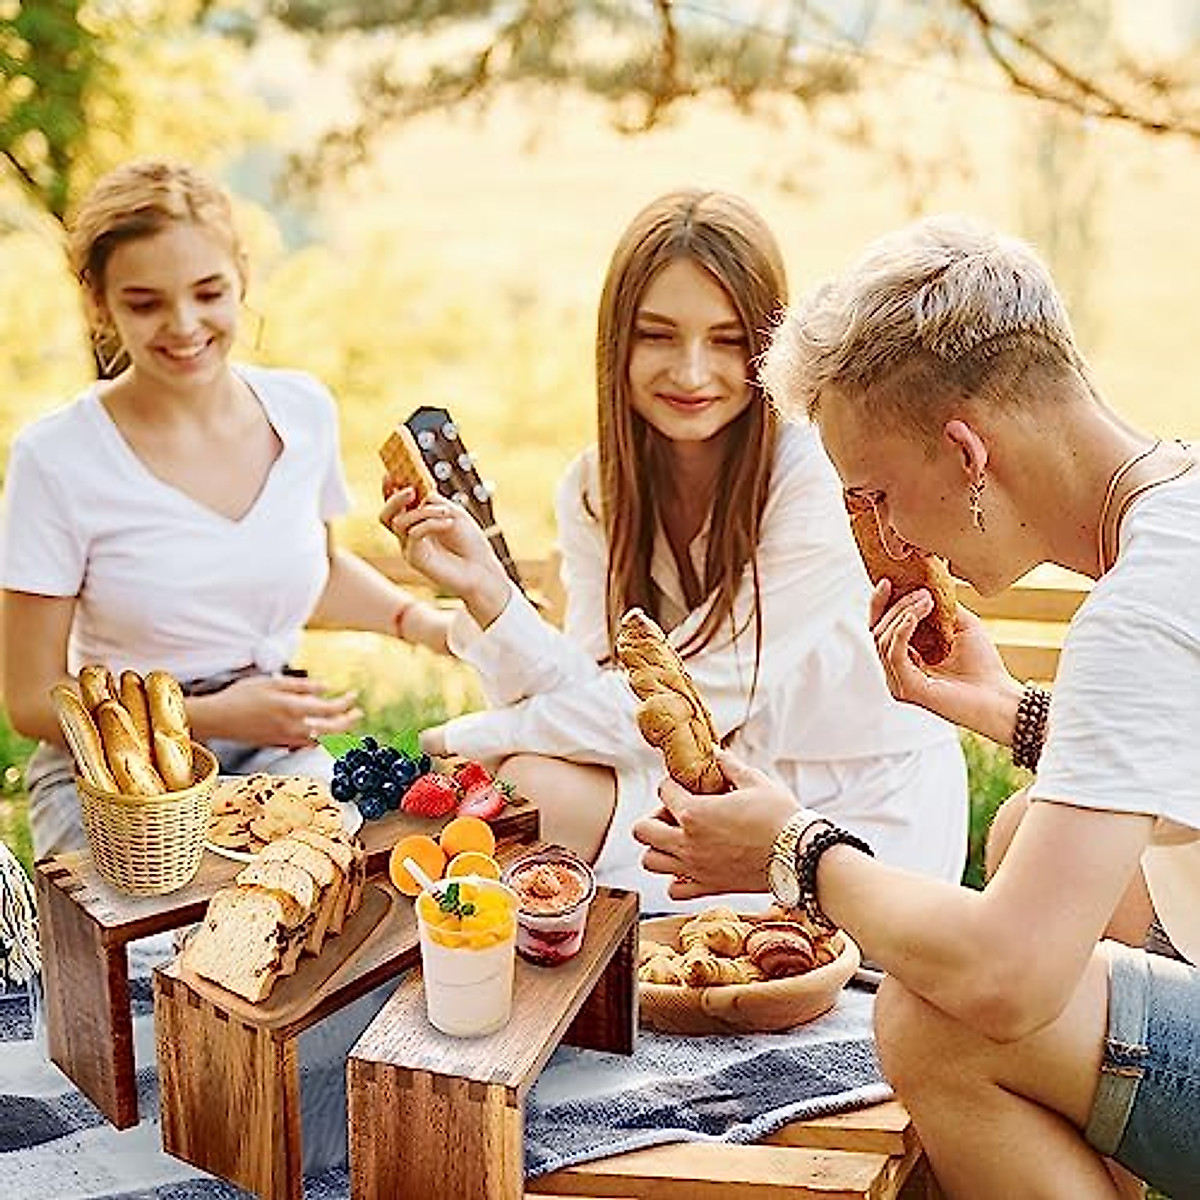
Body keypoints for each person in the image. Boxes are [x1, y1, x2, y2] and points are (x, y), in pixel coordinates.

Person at [634, 215, 1199, 1198]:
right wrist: (1011, 714)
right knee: (1028, 827)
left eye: (880, 494)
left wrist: (794, 851)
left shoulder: (1140, 611)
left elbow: (1010, 979)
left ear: (966, 454)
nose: (885, 531)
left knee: (935, 1020)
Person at [380, 188, 968, 912]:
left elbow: (707, 699)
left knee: (515, 777)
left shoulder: (816, 476)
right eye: (658, 336)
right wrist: (484, 593)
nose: (692, 373)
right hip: (711, 785)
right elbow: (596, 694)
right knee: (523, 788)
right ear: (617, 344)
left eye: (727, 341)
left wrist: (473, 735)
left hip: (857, 808)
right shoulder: (596, 486)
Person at [0, 159, 448, 861]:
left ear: (241, 278)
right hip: (119, 774)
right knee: (159, 964)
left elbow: (316, 570)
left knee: (348, 925)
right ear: (98, 305)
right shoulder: (56, 458)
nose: (184, 326)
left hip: (271, 751)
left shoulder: (301, 410)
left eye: (208, 292)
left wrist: (423, 624)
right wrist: (207, 717)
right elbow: (29, 698)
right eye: (145, 302)